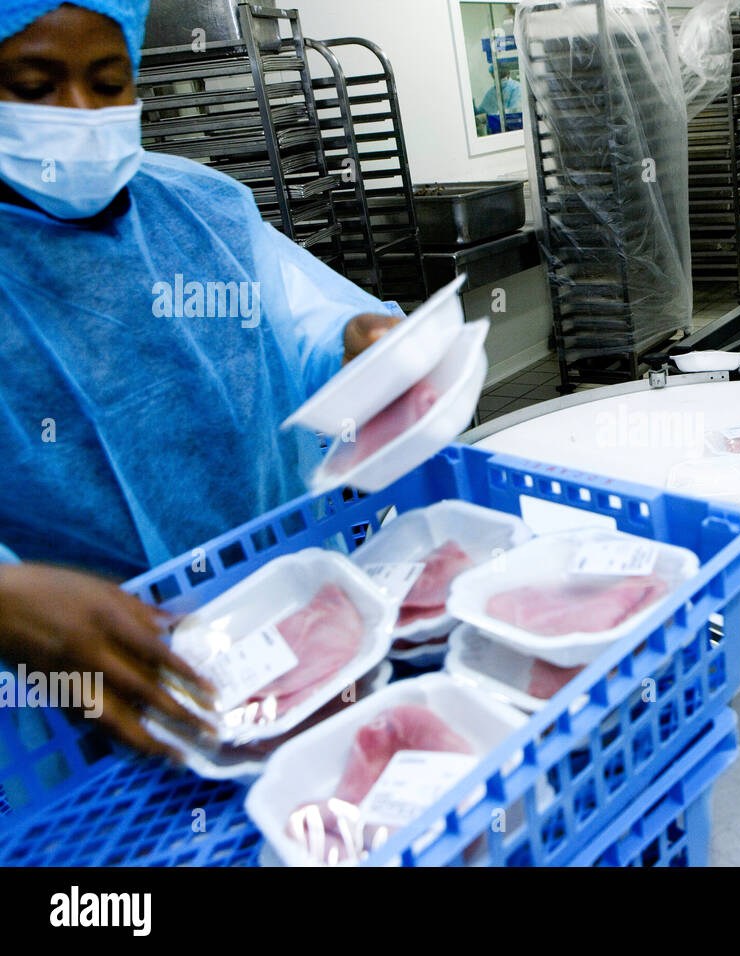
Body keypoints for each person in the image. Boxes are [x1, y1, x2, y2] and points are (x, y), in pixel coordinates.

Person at [0, 1, 404, 756]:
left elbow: (301, 320)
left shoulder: (200, 209)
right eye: (34, 85)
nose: (80, 114)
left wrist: (357, 342)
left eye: (109, 82)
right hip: (69, 709)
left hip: (282, 629)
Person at [475, 60, 522, 131]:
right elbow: (481, 111)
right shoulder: (491, 92)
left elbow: (514, 113)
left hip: (511, 129)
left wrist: (487, 117)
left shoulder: (516, 88)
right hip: (494, 129)